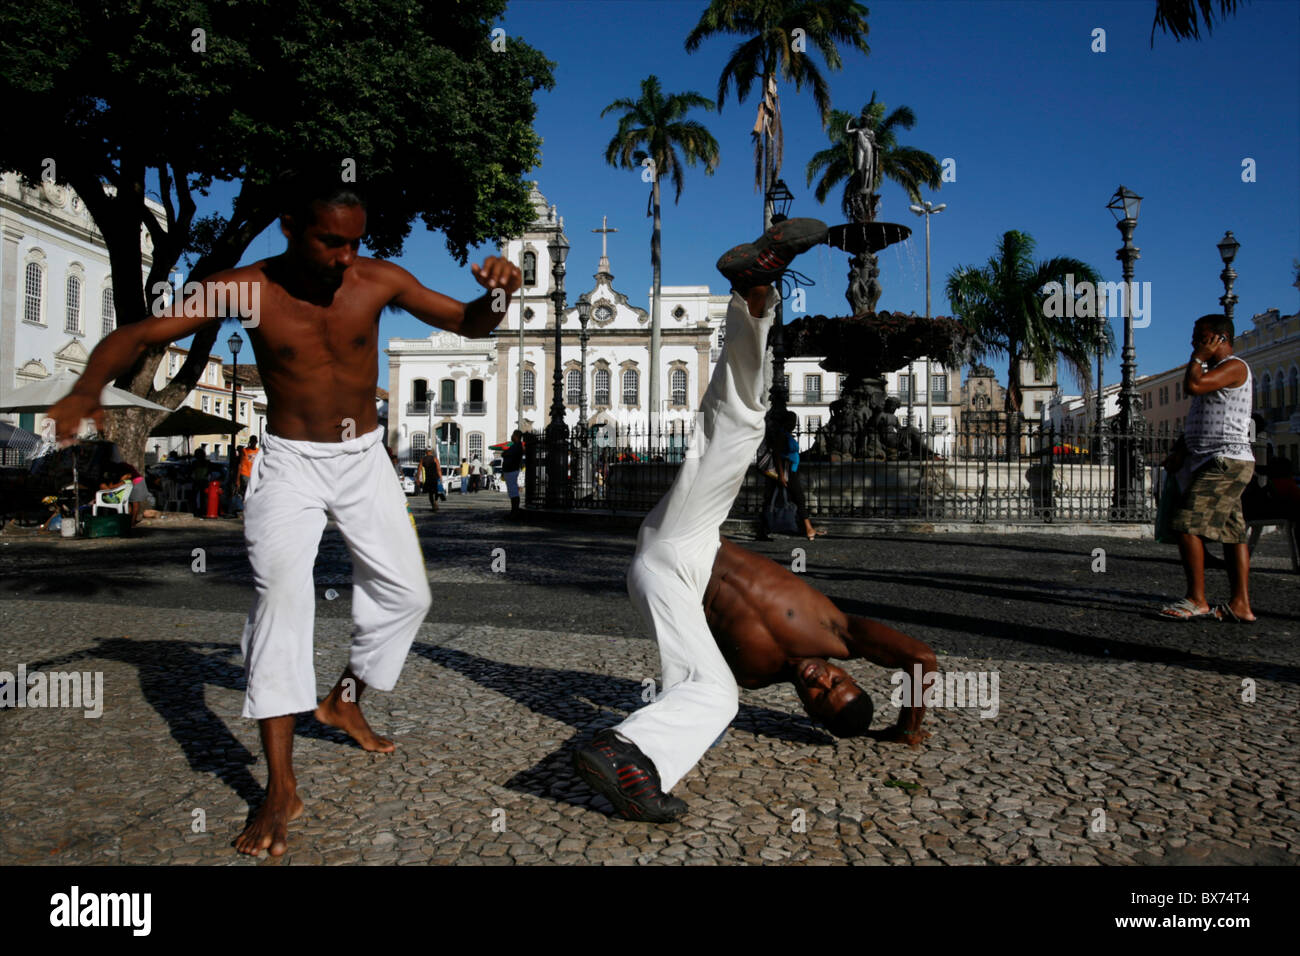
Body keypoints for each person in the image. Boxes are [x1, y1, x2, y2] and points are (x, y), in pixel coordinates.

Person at [47, 176, 521, 857]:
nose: (343, 258)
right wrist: (88, 387)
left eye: (355, 242)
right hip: (289, 463)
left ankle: (343, 698)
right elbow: (144, 330)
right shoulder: (245, 289)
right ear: (291, 227)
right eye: (331, 241)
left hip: (362, 457)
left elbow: (471, 321)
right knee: (282, 604)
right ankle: (280, 787)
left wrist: (500, 291)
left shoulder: (379, 280)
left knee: (408, 595)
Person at [572, 219, 932, 823]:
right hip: (689, 540)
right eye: (840, 684)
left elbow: (683, 670)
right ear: (850, 670)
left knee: (715, 695)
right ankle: (754, 291)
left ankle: (626, 753)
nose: (823, 682)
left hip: (658, 584)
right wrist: (908, 728)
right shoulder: (834, 630)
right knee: (738, 427)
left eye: (822, 698)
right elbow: (922, 659)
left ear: (809, 711)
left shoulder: (756, 674)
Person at [1160, 314, 1255, 623]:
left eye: (1200, 338)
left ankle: (1196, 599)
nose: (1193, 343)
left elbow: (1193, 386)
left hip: (1225, 460)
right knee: (1233, 533)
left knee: (1186, 524)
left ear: (1219, 338)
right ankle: (1240, 605)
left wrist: (1197, 358)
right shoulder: (1213, 371)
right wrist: (1180, 450)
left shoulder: (1234, 367)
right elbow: (1201, 421)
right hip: (1211, 458)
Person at [757, 409, 822, 541]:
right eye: (792, 421)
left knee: (773, 500)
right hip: (787, 472)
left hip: (789, 470)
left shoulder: (786, 434)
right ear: (786, 422)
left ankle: (762, 531)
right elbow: (777, 455)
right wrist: (781, 475)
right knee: (799, 498)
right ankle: (809, 529)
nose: (794, 424)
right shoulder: (781, 435)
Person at [501, 429, 525, 519]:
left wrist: (505, 453)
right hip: (510, 470)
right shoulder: (516, 446)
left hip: (511, 470)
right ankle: (514, 511)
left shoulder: (517, 446)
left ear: (516, 436)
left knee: (513, 491)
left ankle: (515, 512)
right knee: (512, 491)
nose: (511, 436)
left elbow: (505, 454)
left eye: (513, 435)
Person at [419, 446, 442, 511]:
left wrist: (418, 478)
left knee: (430, 493)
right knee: (435, 491)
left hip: (428, 478)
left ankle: (433, 505)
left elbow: (419, 470)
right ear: (431, 451)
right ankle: (436, 503)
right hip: (434, 478)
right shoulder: (435, 459)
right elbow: (439, 469)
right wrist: (440, 477)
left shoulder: (423, 459)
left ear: (426, 452)